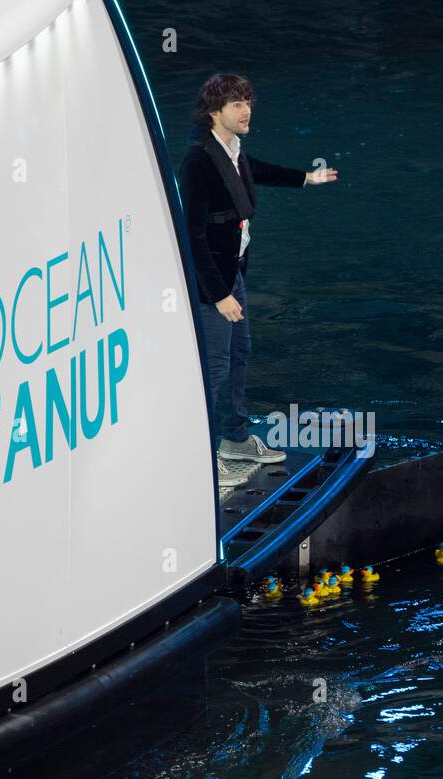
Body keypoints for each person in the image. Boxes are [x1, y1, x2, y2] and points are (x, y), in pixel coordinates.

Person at [178, 73, 338, 487]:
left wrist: (306, 178)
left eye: (248, 101)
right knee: (213, 367)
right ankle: (199, 457)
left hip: (234, 274)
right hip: (212, 282)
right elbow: (191, 234)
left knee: (240, 353)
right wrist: (217, 295)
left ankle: (234, 438)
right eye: (237, 104)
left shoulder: (233, 150)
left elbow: (259, 170)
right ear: (215, 112)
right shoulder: (199, 161)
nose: (247, 110)